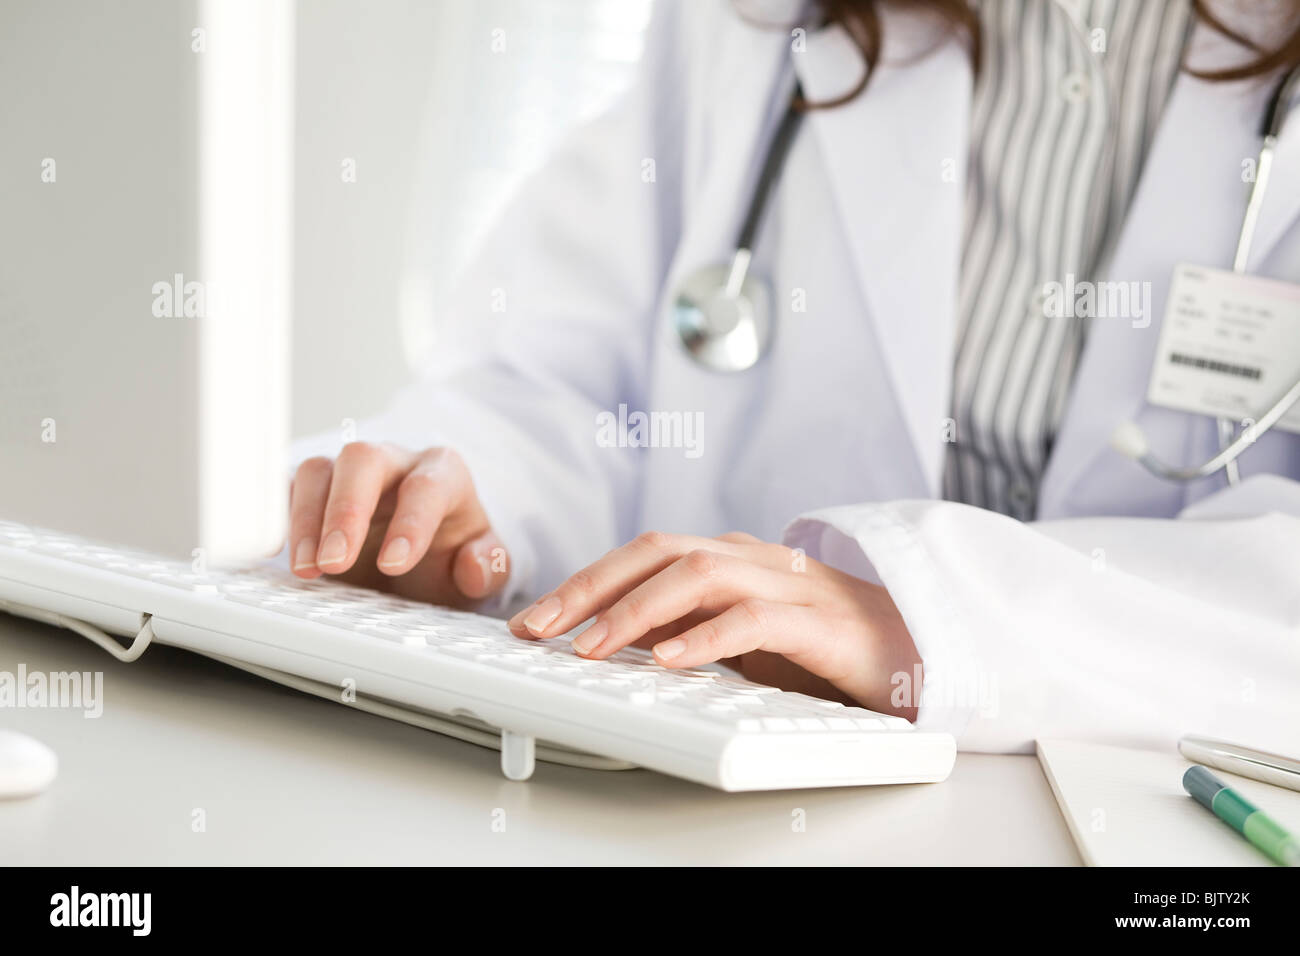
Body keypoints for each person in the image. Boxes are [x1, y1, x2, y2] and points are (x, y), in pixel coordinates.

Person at [285, 0, 1300, 753]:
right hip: (738, 777)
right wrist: (467, 514)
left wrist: (929, 616)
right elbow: (564, 383)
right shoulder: (754, 21)